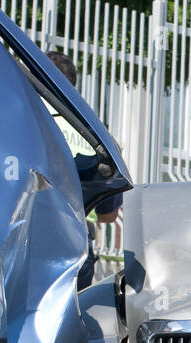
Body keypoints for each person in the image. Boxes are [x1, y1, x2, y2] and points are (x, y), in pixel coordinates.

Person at [46, 50, 122, 226]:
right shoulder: (94, 132)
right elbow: (108, 215)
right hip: (78, 238)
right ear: (72, 85)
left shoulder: (30, 116)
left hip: (32, 232)